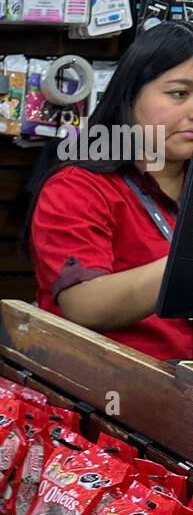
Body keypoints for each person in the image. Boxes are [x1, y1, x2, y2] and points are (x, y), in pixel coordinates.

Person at [28, 21, 193, 361]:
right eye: (179, 93)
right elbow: (85, 306)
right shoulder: (78, 187)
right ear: (130, 95)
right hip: (118, 393)